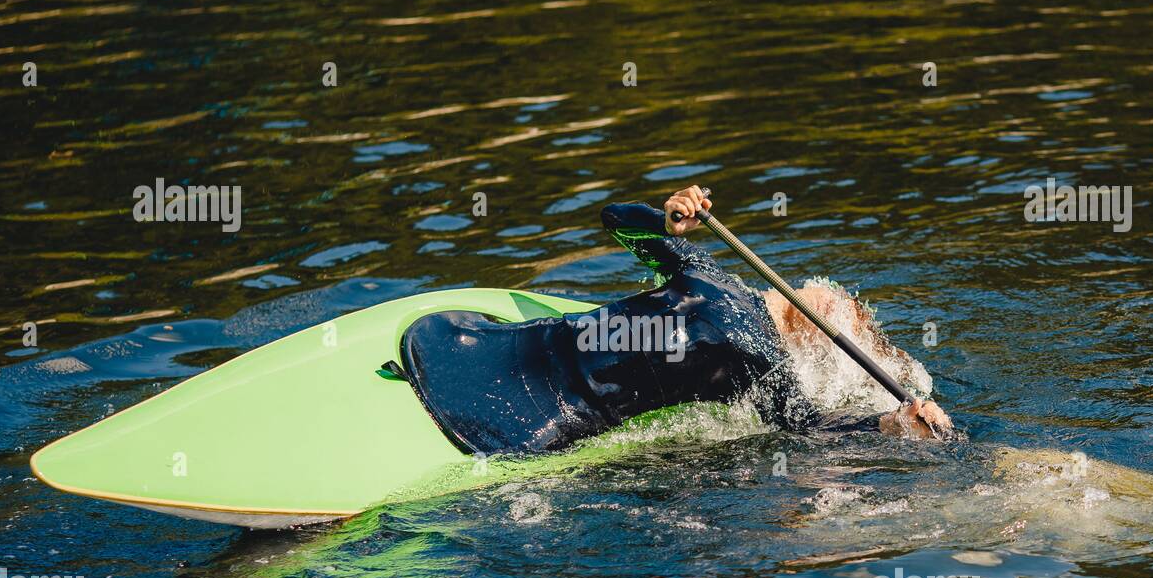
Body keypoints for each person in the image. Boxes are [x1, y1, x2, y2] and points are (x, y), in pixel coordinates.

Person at [397, 185, 954, 455]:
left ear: (810, 324)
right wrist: (885, 425)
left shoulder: (724, 297)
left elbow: (615, 218)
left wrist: (663, 221)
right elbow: (808, 429)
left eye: (825, 301)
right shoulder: (758, 355)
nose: (817, 292)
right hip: (526, 403)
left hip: (510, 375)